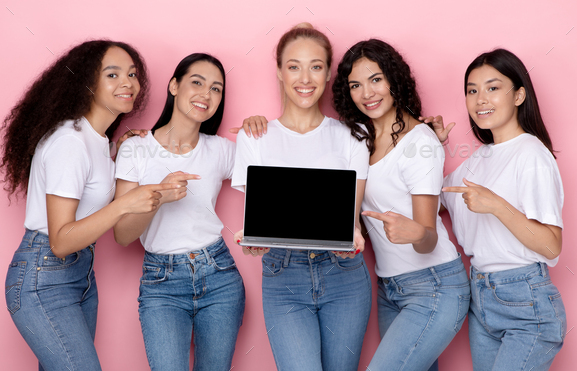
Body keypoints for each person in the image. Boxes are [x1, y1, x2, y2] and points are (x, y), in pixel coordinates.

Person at [1, 40, 178, 371]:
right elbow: (61, 239)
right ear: (86, 83)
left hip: (79, 275)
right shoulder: (70, 142)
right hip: (44, 277)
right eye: (112, 74)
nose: (127, 83)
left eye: (132, 74)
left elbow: (88, 196)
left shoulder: (96, 140)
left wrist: (114, 154)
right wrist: (124, 204)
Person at [231, 23, 371, 371]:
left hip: (344, 273)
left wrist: (353, 234)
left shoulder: (353, 136)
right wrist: (253, 241)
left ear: (327, 74)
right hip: (283, 274)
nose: (304, 77)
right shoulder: (255, 137)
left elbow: (351, 219)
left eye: (316, 66)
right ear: (279, 71)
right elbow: (261, 218)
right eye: (293, 66)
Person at [329, 38, 470, 371]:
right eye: (356, 85)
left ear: (394, 79)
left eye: (376, 79)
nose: (367, 93)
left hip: (434, 286)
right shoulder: (360, 138)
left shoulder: (420, 142)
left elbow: (429, 240)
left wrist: (416, 231)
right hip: (389, 289)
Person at [113, 53, 245, 371]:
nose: (206, 94)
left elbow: (277, 179)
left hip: (220, 277)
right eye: (196, 82)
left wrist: (260, 129)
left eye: (216, 88)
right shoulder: (136, 148)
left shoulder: (221, 150)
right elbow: (121, 234)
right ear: (174, 86)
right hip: (162, 284)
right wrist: (158, 196)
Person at [441, 48, 566, 371]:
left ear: (519, 95)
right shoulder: (479, 158)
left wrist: (496, 205)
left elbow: (551, 245)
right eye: (472, 90)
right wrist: (428, 147)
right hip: (481, 296)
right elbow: (432, 197)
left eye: (493, 88)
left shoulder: (532, 154)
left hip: (525, 300)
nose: (480, 99)